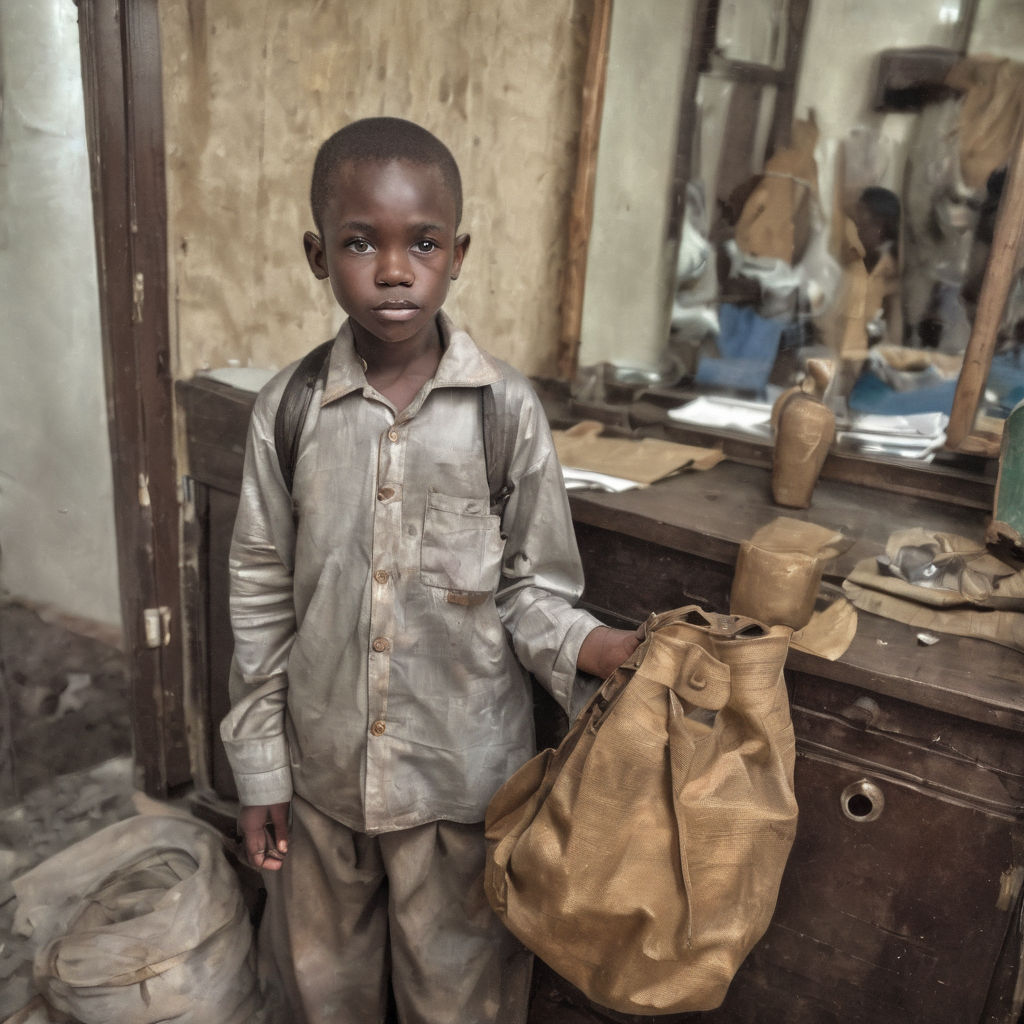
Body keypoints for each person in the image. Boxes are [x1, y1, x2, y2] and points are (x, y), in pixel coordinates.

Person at [220, 116, 641, 1024]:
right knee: (320, 989)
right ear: (316, 253)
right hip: (322, 778)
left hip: (461, 788)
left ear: (460, 253)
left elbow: (531, 588)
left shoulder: (505, 413)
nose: (395, 269)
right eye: (360, 242)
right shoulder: (287, 412)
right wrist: (260, 771)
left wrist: (596, 646)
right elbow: (259, 593)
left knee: (459, 1000)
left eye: (424, 243)